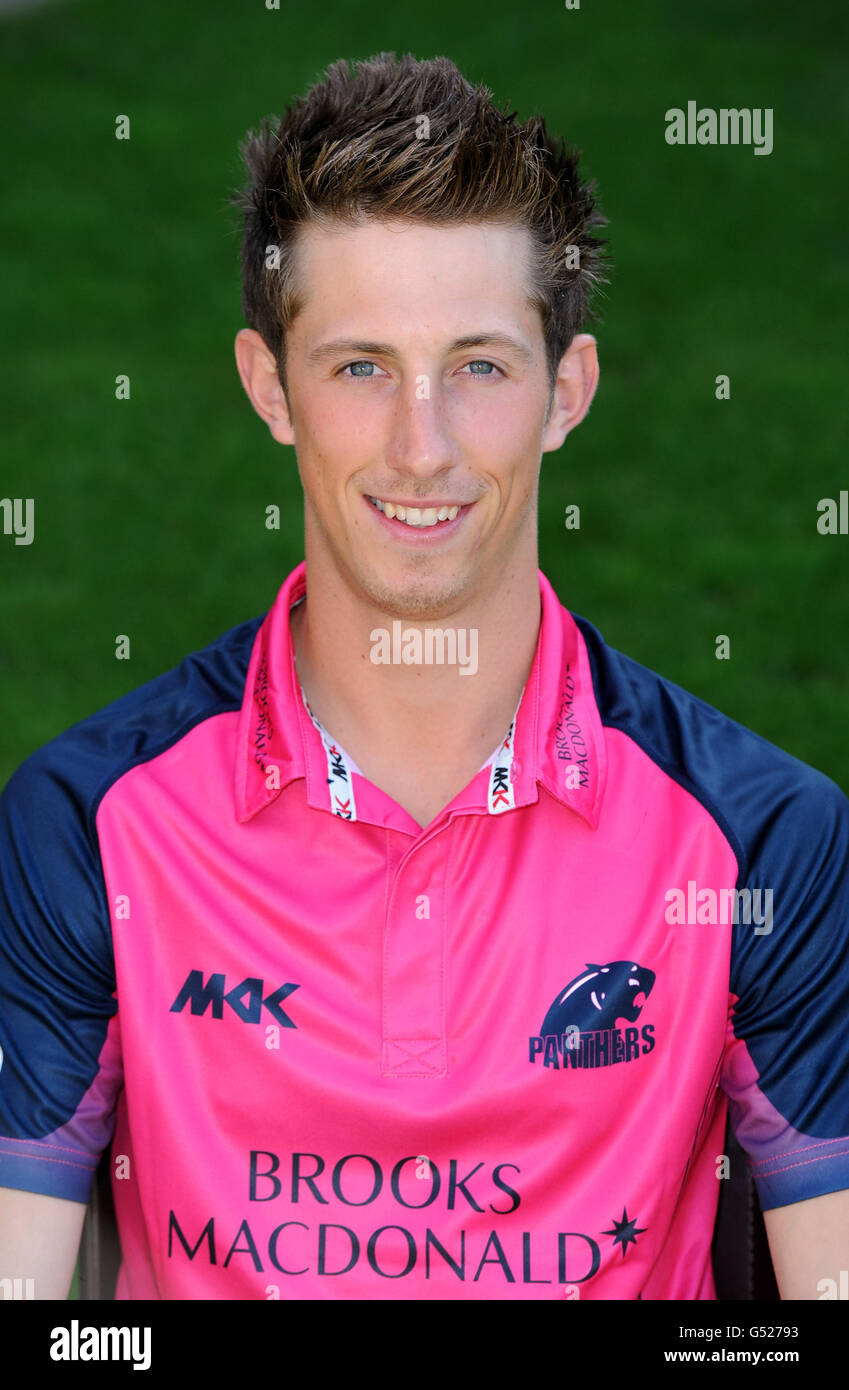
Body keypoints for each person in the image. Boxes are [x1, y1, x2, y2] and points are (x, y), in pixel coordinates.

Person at [1, 51, 848, 1302]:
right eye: (360, 367)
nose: (422, 445)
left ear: (568, 391)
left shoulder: (762, 843)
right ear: (266, 387)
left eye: (480, 366)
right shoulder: (89, 826)